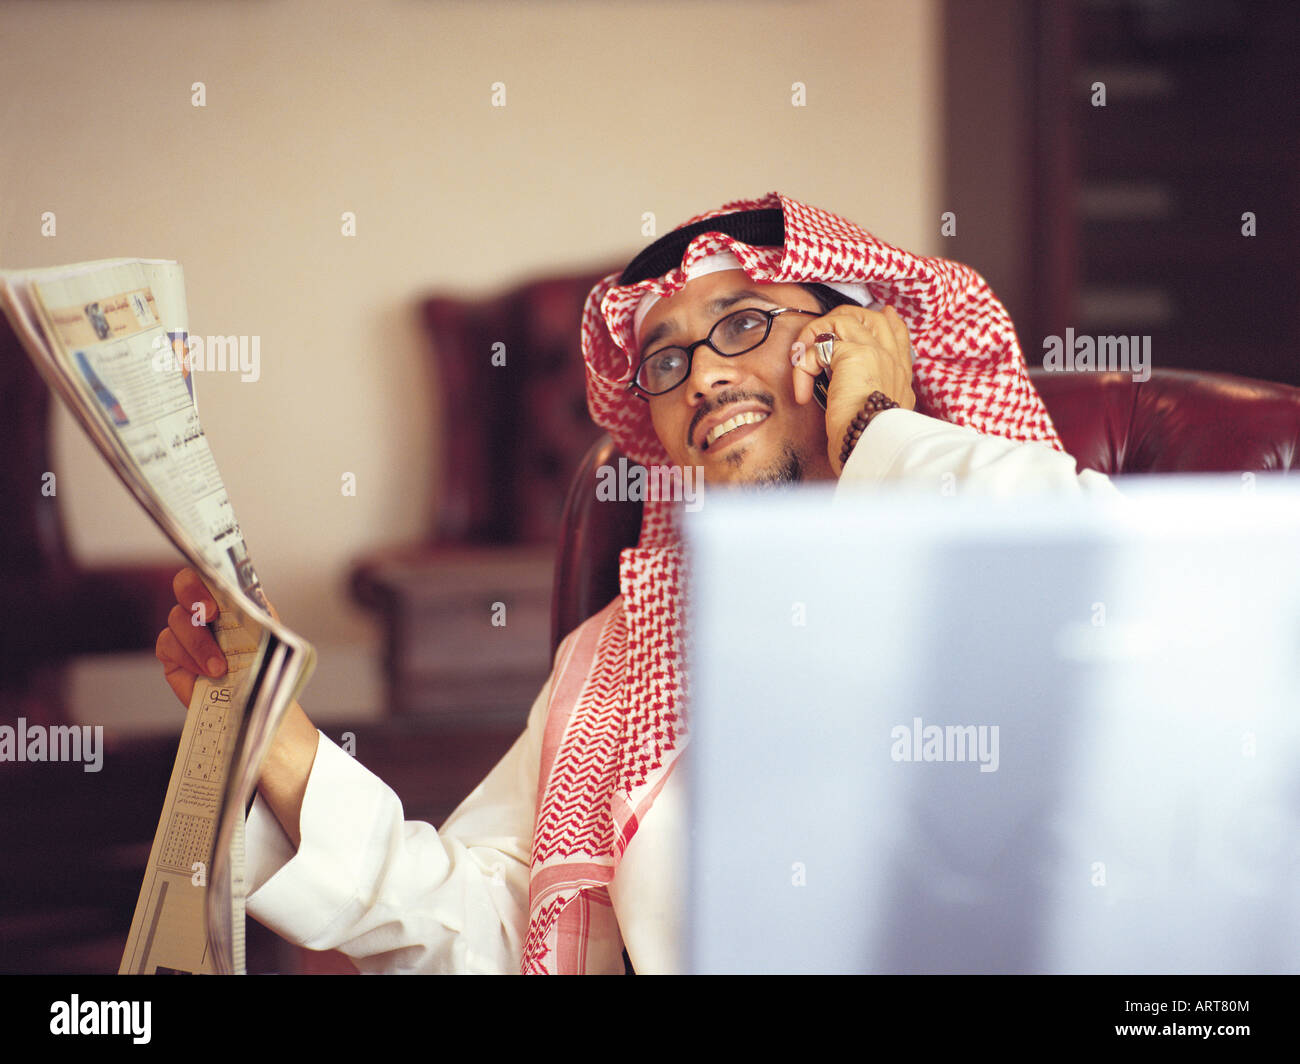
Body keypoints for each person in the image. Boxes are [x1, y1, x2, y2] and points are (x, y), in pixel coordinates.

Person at [156, 193, 1119, 974]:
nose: (700, 378)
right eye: (667, 359)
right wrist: (279, 745)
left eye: (743, 323)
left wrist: (870, 423)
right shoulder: (623, 654)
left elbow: (1090, 579)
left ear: (852, 340)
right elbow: (498, 923)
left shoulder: (983, 570)